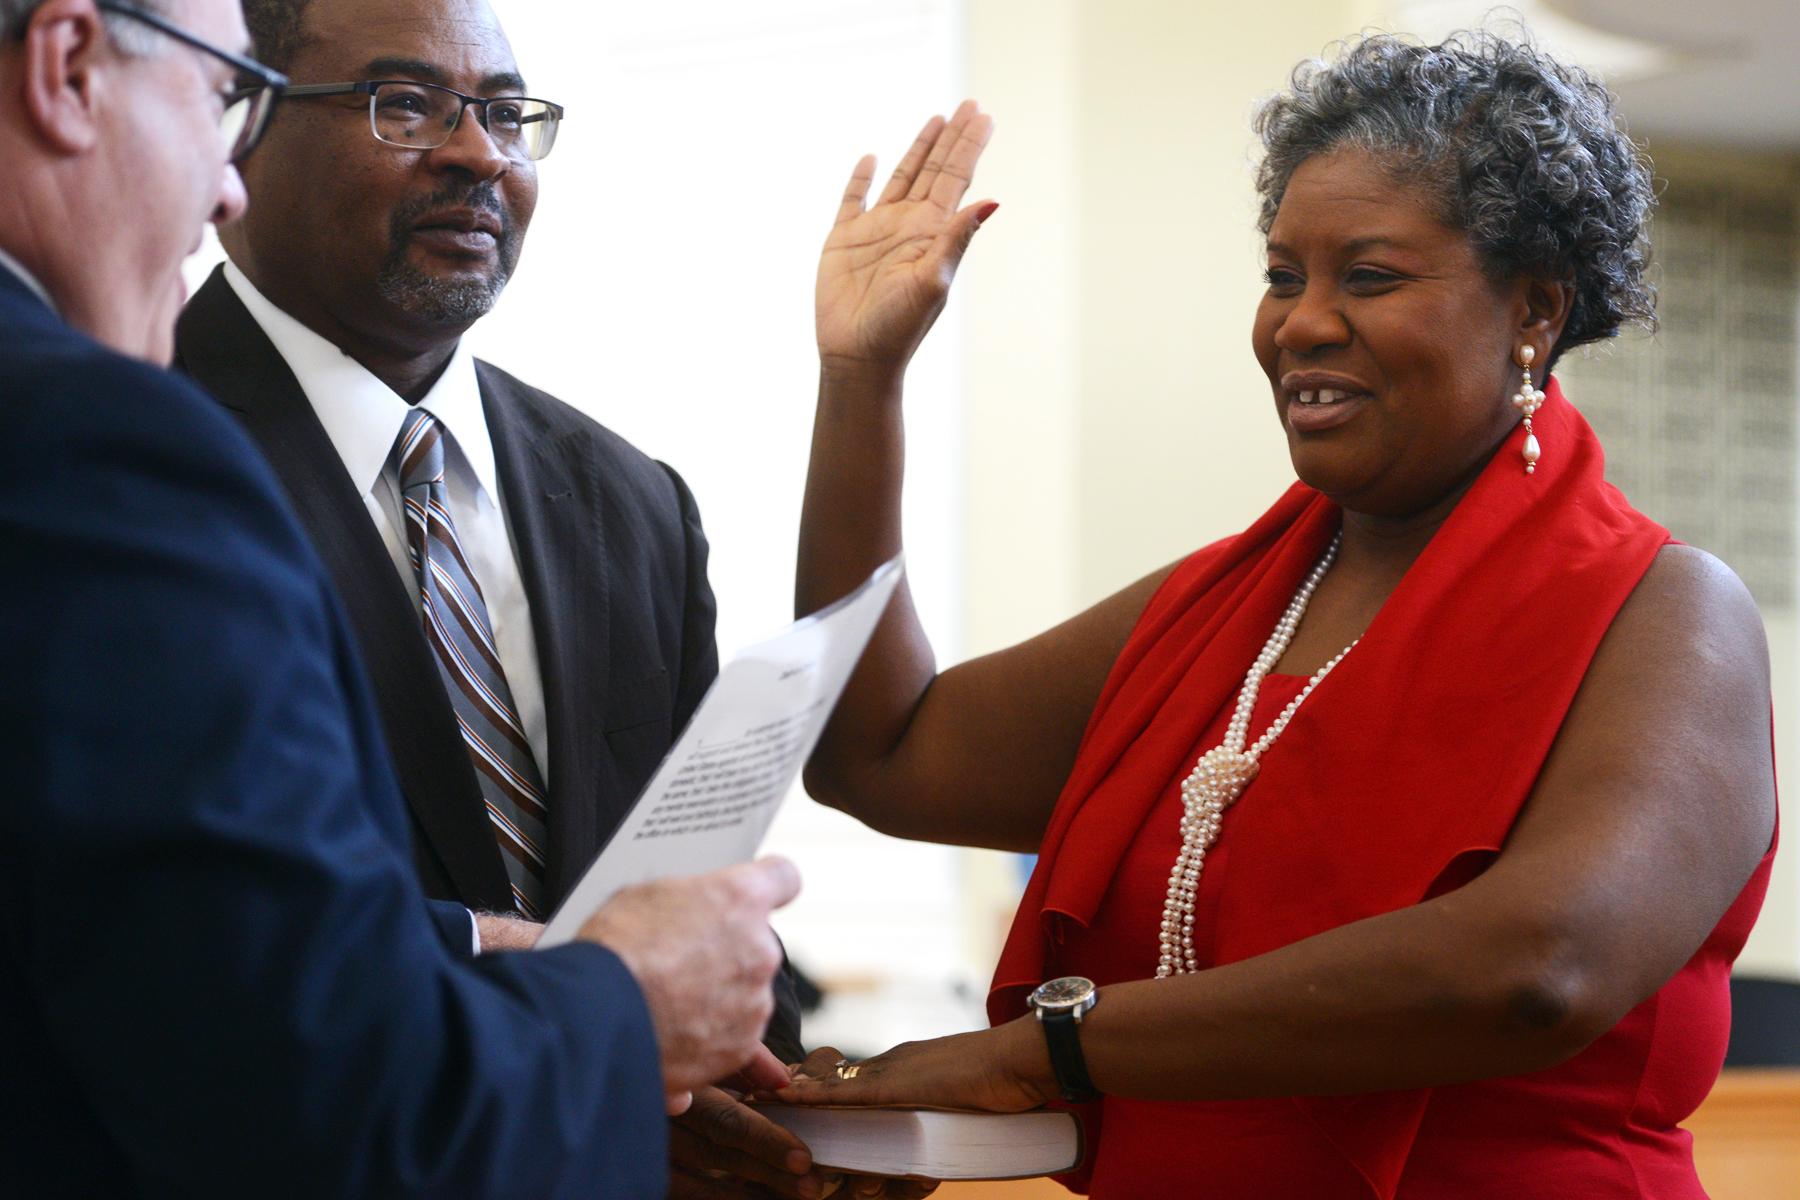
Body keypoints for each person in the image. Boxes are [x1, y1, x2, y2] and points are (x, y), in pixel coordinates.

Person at [776, 35, 1778, 1199]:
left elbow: (1541, 965)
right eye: (1282, 275)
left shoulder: (1660, 611)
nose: (1299, 324)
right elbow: (879, 753)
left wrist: (1044, 1050)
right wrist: (862, 377)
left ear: (1535, 311)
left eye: (1368, 277)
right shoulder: (1220, 610)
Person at [0, 1, 798, 1194]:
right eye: (408, 104)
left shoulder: (635, 500)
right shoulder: (117, 441)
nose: (479, 153)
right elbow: (284, 1057)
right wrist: (619, 1015)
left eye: (507, 113)